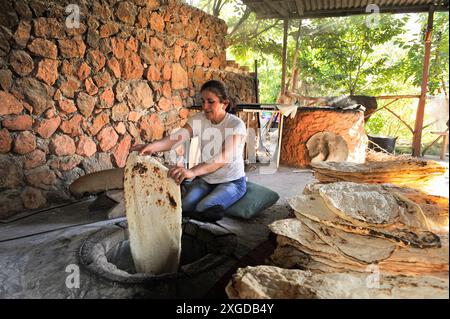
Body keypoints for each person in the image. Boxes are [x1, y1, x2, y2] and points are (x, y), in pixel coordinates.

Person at [131, 80, 247, 222]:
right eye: (203, 101)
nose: (205, 106)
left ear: (224, 103)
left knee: (203, 207)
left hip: (232, 181)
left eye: (211, 102)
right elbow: (175, 139)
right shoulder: (199, 119)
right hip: (206, 179)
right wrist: (150, 147)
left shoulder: (236, 125)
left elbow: (222, 159)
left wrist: (192, 172)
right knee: (184, 206)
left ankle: (208, 210)